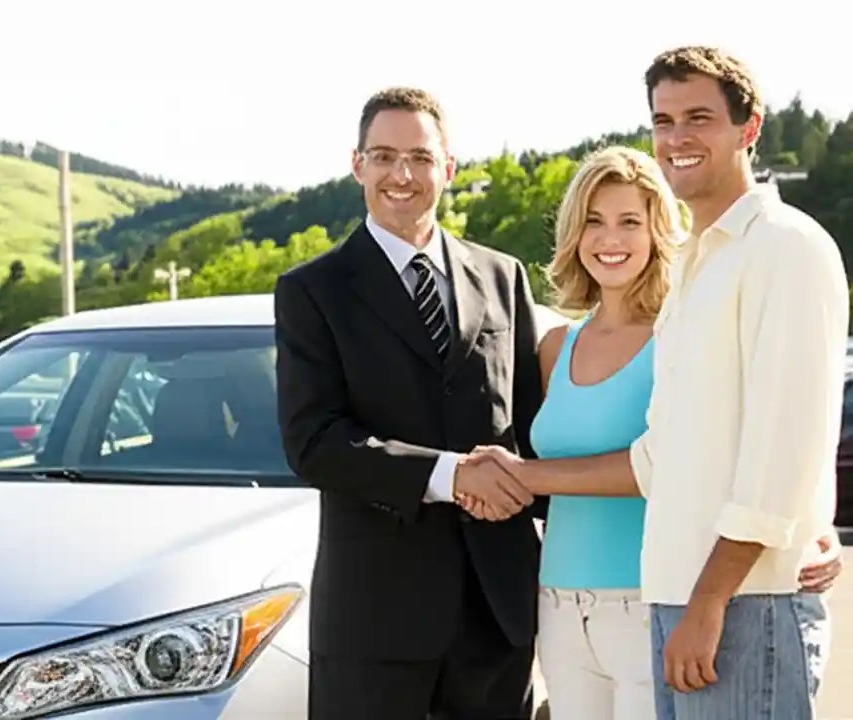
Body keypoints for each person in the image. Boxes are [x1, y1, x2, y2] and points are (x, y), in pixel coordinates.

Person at [468, 46, 847, 720]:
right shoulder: (700, 271)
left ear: (749, 127)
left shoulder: (786, 246)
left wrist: (709, 602)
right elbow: (660, 457)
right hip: (675, 598)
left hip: (735, 603)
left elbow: (780, 458)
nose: (677, 139)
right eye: (663, 121)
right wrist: (512, 475)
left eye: (699, 117)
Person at [274, 86, 543, 720]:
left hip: (497, 615)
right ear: (357, 164)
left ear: (448, 168)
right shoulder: (312, 292)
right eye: (385, 156)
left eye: (420, 157)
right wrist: (452, 476)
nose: (402, 174)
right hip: (376, 623)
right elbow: (314, 443)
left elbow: (536, 432)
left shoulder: (504, 277)